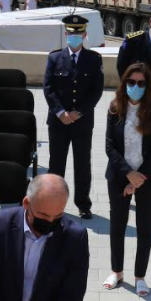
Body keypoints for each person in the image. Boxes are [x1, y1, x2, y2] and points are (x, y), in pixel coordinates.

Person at [104, 63, 151, 296]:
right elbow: (110, 146)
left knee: (145, 226)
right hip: (120, 174)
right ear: (124, 84)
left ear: (147, 85)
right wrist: (128, 174)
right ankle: (117, 271)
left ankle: (140, 276)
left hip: (147, 176)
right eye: (131, 82)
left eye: (141, 83)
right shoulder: (115, 108)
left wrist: (139, 178)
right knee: (117, 225)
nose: (135, 87)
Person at [44, 14, 104, 219]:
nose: (74, 36)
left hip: (82, 122)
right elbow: (49, 89)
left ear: (85, 35)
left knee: (82, 164)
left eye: (78, 33)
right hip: (59, 121)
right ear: (66, 34)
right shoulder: (54, 58)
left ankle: (83, 204)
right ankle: (53, 203)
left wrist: (79, 113)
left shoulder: (94, 59)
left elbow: (96, 90)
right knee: (56, 164)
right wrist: (61, 112)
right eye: (71, 33)